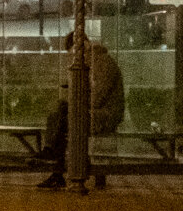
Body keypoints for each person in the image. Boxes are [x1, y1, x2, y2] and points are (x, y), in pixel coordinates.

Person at [37, 30, 124, 191]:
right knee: (61, 112)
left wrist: (78, 97)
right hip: (93, 112)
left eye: (73, 54)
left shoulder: (101, 62)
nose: (73, 58)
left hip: (105, 115)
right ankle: (52, 157)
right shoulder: (91, 62)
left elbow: (98, 98)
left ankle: (54, 161)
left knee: (64, 119)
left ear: (82, 47)